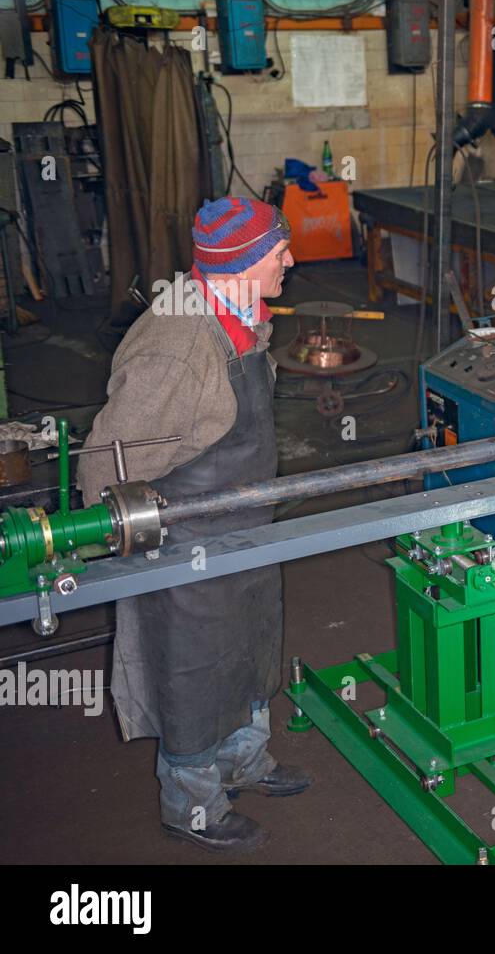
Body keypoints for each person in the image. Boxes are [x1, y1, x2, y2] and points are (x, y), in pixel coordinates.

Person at [78, 196, 310, 852]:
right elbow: (104, 463)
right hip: (187, 548)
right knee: (193, 676)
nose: (290, 260)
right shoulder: (178, 348)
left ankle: (244, 762)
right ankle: (194, 805)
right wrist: (127, 539)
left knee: (248, 650)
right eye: (277, 251)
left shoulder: (237, 311)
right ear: (239, 263)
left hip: (244, 527)